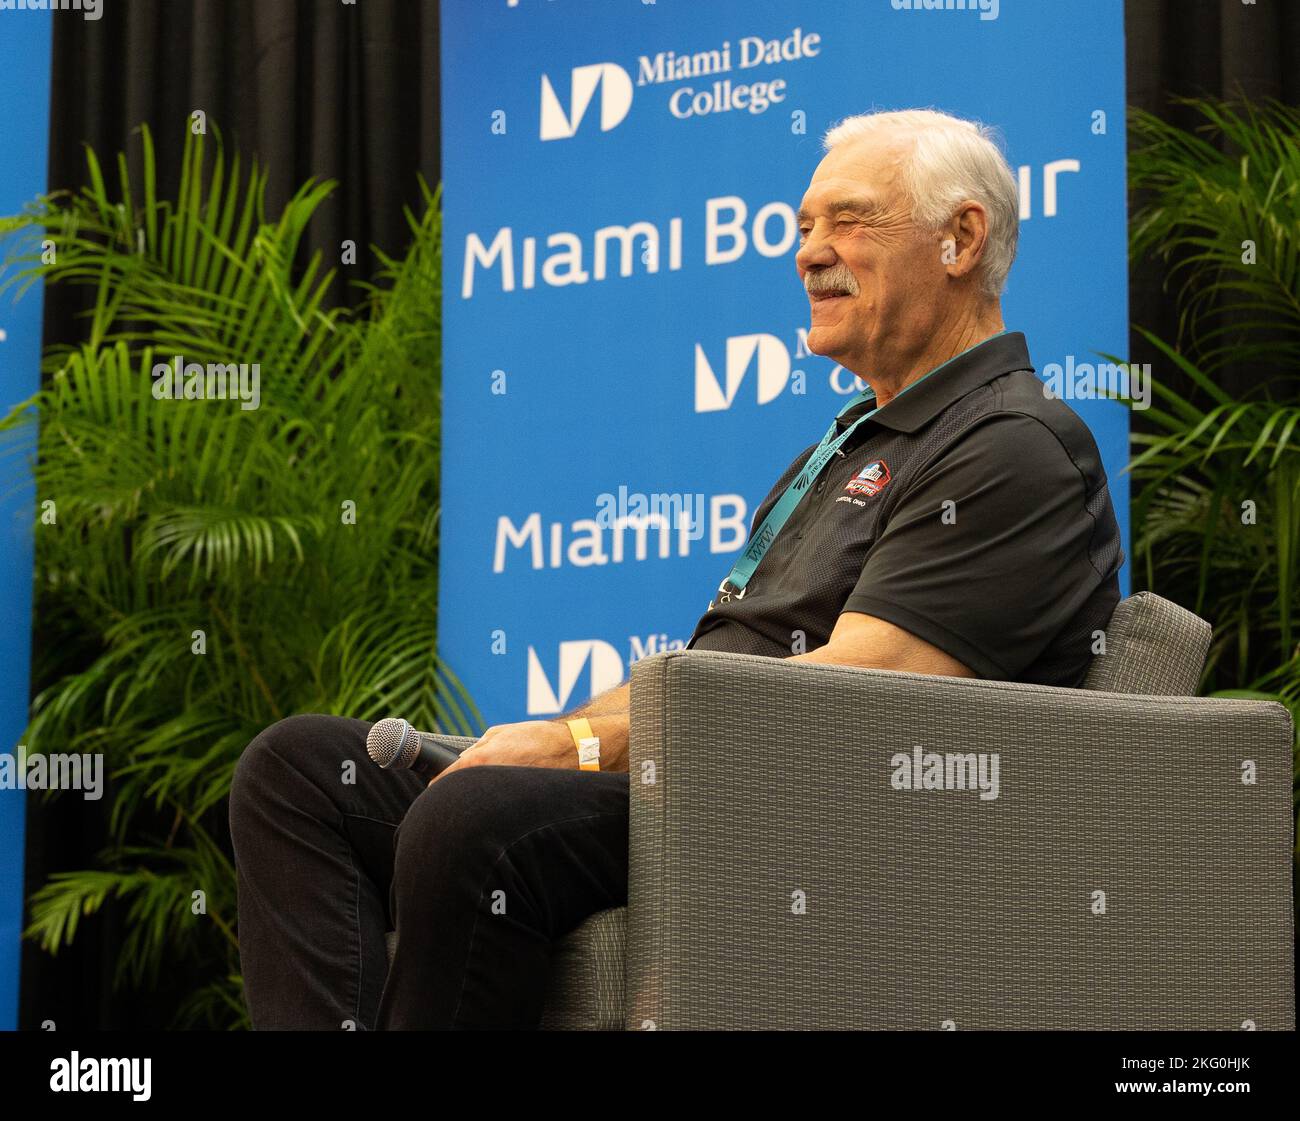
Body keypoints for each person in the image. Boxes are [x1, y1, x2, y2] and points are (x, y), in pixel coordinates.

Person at [228, 108, 1123, 1030]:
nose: (809, 252)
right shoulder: (852, 441)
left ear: (961, 238)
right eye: (804, 225)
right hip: (711, 773)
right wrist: (557, 729)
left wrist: (578, 750)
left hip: (825, 818)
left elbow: (868, 696)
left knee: (473, 820)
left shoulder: (1013, 446)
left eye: (847, 220)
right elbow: (719, 663)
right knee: (299, 774)